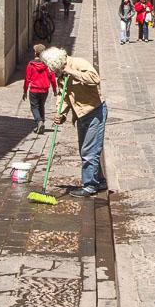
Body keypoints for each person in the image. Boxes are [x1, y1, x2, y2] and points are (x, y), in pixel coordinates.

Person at [39, 46, 108, 197]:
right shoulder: (61, 75)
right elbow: (63, 96)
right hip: (80, 115)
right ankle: (100, 181)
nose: (53, 72)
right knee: (88, 149)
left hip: (94, 111)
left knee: (89, 151)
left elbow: (94, 79)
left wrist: (72, 72)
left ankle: (89, 186)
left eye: (52, 68)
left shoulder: (78, 63)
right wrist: (61, 114)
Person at [22, 43, 57, 134]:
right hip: (44, 90)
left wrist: (25, 91)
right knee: (41, 106)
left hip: (34, 90)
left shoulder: (31, 64)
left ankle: (39, 121)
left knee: (34, 107)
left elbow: (27, 79)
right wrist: (54, 89)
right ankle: (41, 124)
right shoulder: (48, 64)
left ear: (35, 53)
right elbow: (52, 77)